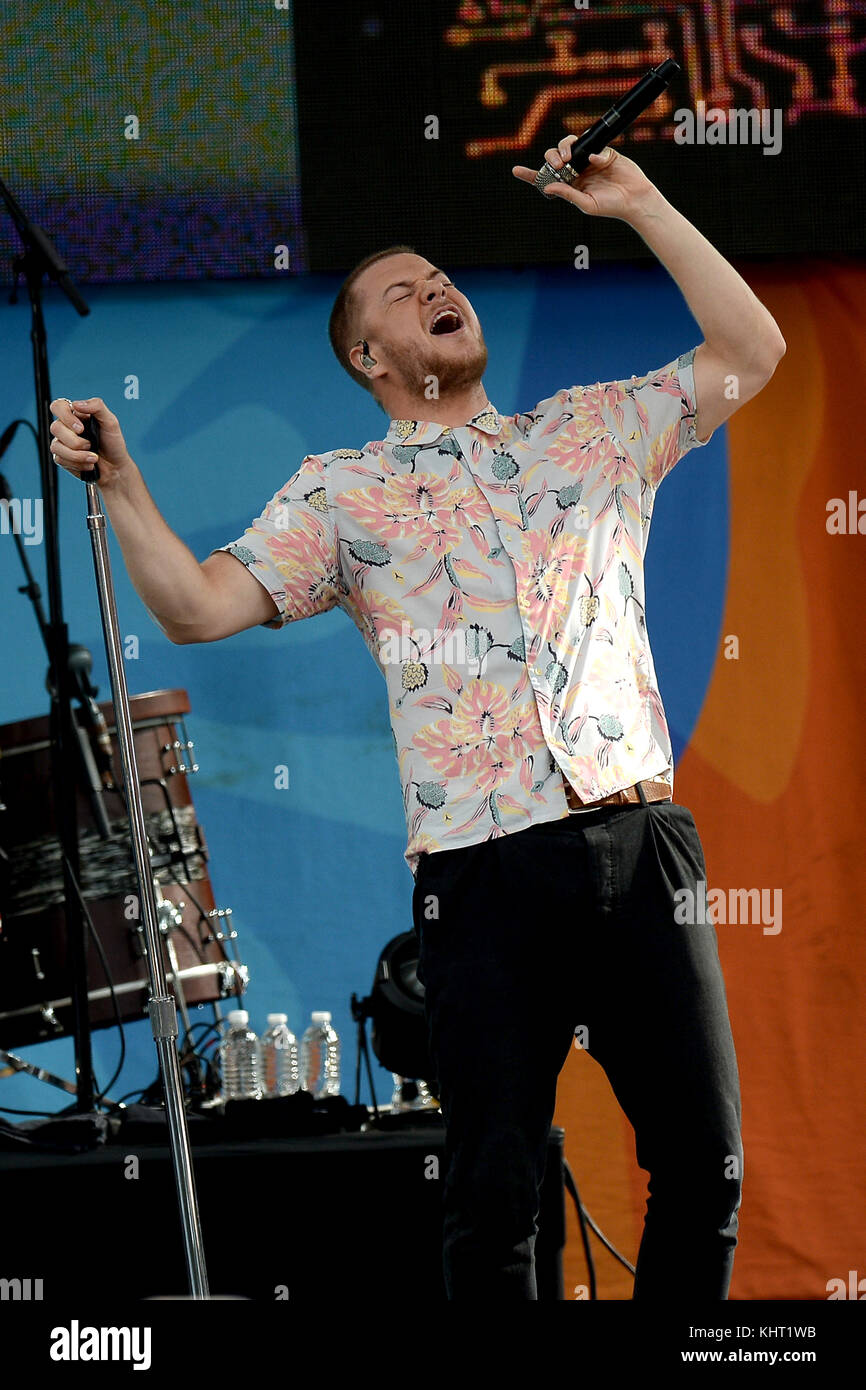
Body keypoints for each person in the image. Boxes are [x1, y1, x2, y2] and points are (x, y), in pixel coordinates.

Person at [50, 140, 786, 1301]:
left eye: (441, 274)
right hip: (481, 875)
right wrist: (123, 483)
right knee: (492, 1194)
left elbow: (752, 352)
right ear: (366, 354)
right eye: (403, 289)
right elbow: (194, 607)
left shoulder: (590, 431)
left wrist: (640, 202)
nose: (437, 288)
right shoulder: (341, 492)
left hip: (642, 843)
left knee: (704, 1166)